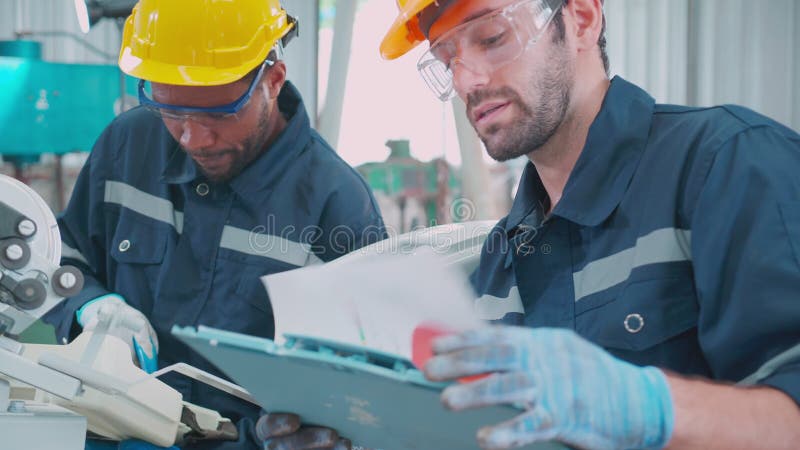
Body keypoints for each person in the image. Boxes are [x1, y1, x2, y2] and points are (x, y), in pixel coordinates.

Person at [380, 0, 800, 449]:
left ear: (581, 18)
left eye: (492, 38)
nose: (467, 81)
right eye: (448, 62)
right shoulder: (502, 254)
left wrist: (652, 406)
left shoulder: (729, 165)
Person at [44, 1, 385, 449]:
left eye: (219, 115)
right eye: (172, 109)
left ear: (274, 80)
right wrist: (88, 304)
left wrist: (269, 438)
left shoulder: (337, 204)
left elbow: (359, 394)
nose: (193, 137)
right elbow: (63, 256)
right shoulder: (126, 146)